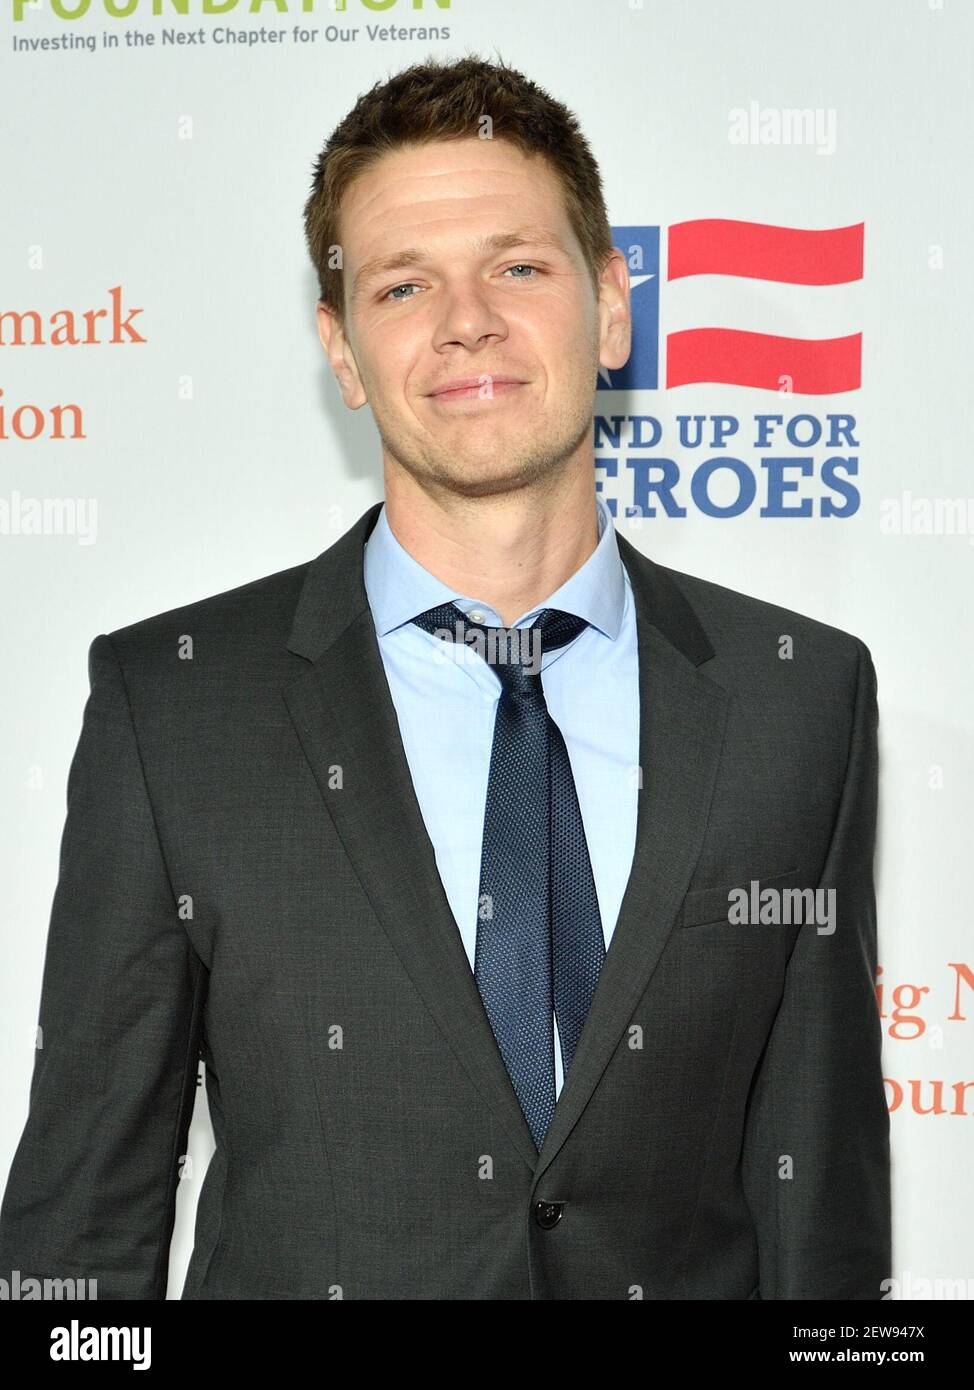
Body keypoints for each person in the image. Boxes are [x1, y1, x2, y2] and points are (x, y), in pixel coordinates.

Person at [0, 54, 890, 1300]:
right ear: (345, 351)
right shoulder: (176, 704)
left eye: (517, 266)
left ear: (613, 303)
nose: (466, 317)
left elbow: (820, 1205)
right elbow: (83, 1224)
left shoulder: (800, 694)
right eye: (404, 283)